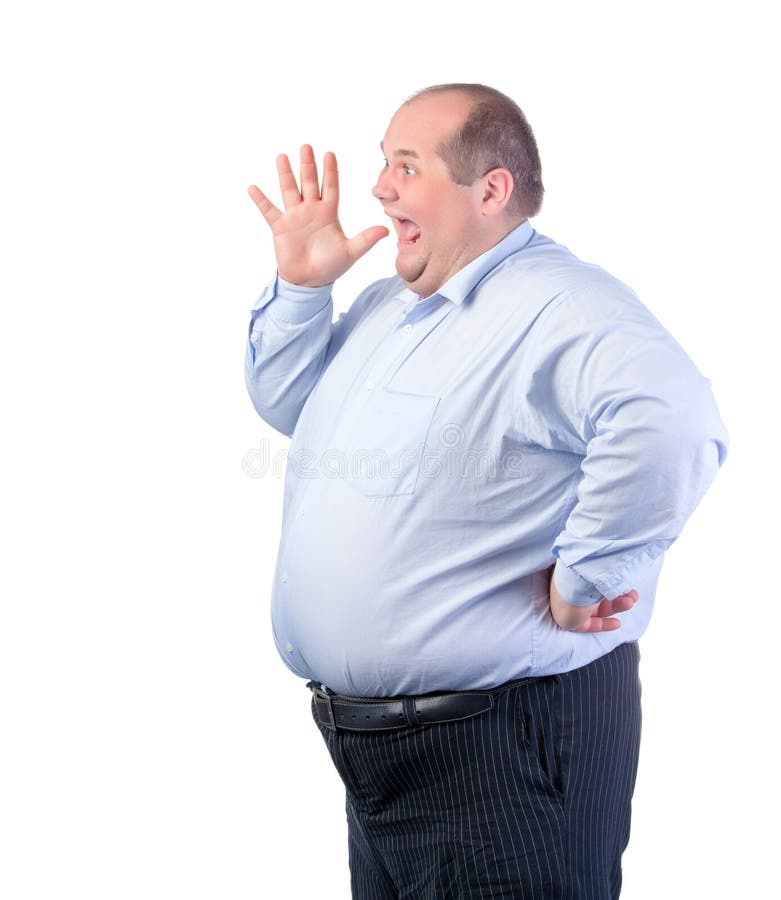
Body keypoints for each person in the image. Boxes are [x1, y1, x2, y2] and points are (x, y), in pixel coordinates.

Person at [244, 84, 728, 899]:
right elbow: (294, 406)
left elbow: (671, 419)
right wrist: (301, 289)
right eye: (383, 163)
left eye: (406, 167)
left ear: (490, 190)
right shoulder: (392, 305)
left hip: (501, 750)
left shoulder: (562, 306)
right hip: (384, 758)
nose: (378, 188)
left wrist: (588, 578)